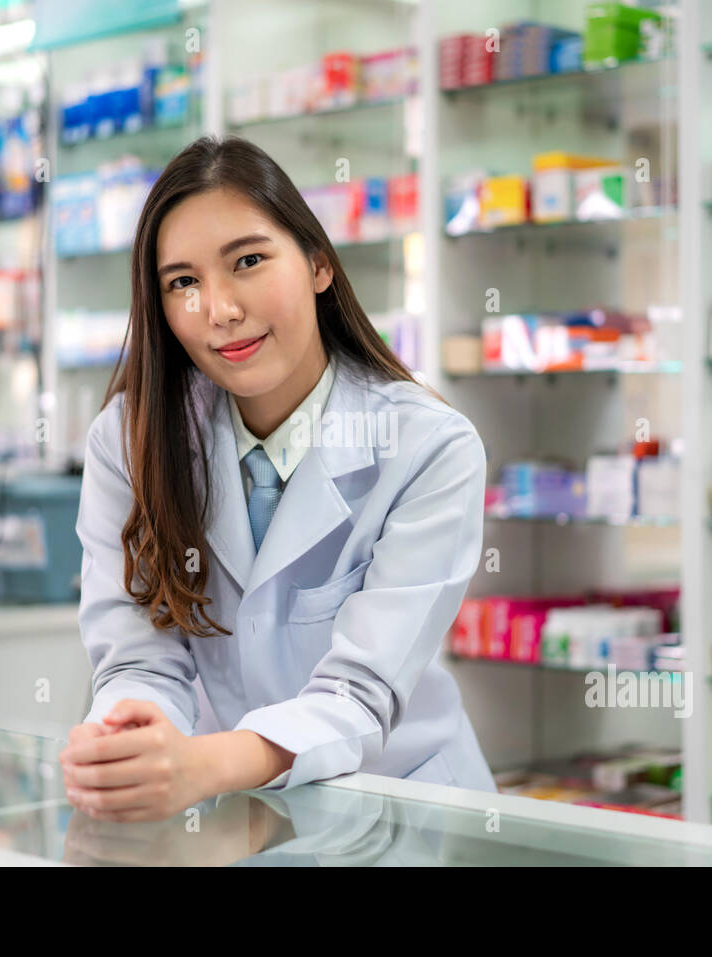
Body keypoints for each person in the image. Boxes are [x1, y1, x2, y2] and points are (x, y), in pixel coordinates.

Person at [60, 135, 494, 823]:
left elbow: (360, 694)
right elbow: (139, 663)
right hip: (239, 816)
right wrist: (127, 739)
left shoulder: (429, 446)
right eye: (184, 282)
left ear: (319, 263)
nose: (220, 309)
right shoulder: (131, 441)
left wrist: (204, 763)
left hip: (403, 811)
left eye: (249, 261)